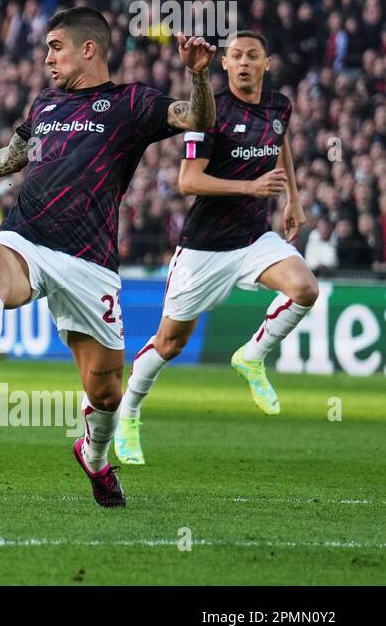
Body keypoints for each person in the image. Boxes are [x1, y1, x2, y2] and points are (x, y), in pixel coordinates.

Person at [0, 7, 216, 507]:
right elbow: (13, 156)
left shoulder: (130, 103)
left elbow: (197, 118)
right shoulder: (45, 104)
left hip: (90, 261)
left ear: (89, 49)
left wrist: (197, 75)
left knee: (106, 391)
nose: (46, 59)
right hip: (29, 236)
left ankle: (94, 456)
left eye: (54, 47)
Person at [115, 31, 319, 464]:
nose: (244, 62)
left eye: (253, 56)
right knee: (169, 344)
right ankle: (128, 413)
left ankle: (252, 355)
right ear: (224, 65)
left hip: (253, 239)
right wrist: (252, 186)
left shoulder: (278, 106)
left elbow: (279, 141)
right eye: (236, 56)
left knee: (305, 289)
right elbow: (188, 180)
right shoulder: (211, 114)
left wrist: (293, 201)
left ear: (267, 64)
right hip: (204, 248)